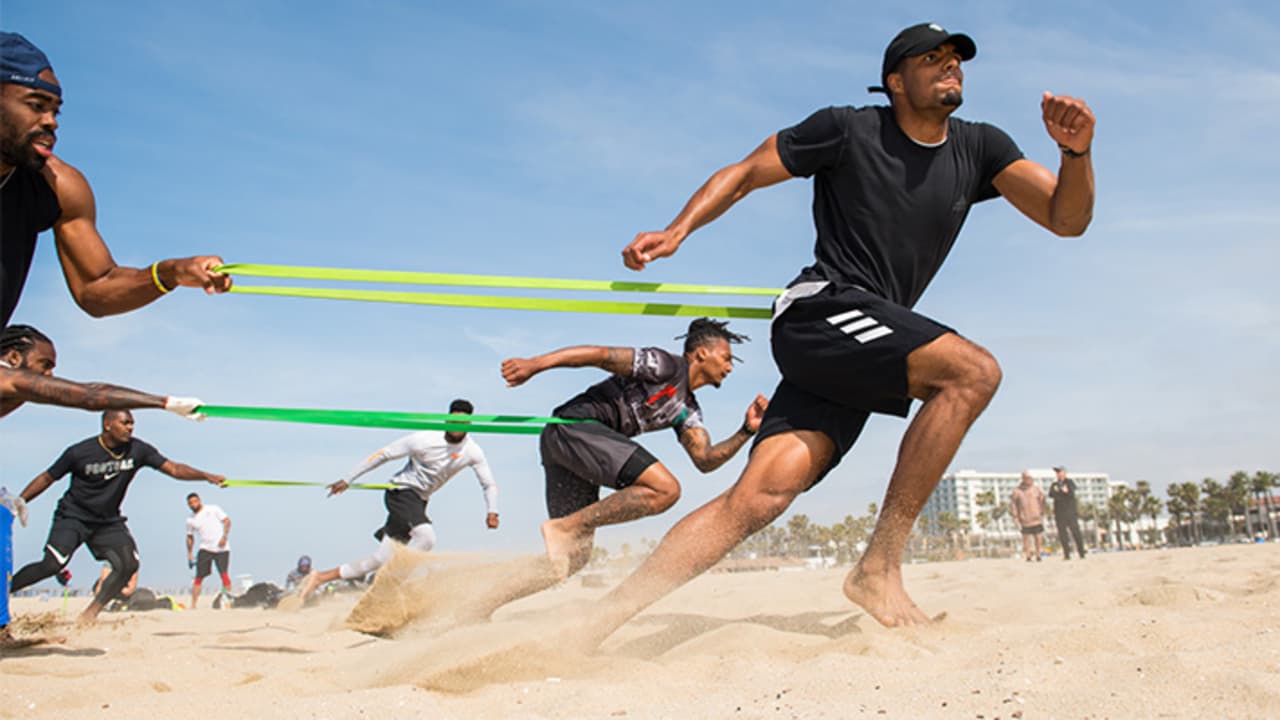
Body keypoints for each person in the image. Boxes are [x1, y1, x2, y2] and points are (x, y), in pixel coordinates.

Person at [566, 21, 1094, 646]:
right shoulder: (848, 128)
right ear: (896, 81)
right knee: (973, 372)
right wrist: (678, 231)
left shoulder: (981, 148)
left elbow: (1066, 218)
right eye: (933, 58)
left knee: (760, 497)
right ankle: (880, 568)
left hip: (865, 348)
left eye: (956, 58)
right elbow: (743, 173)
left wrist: (1075, 153)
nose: (951, 66)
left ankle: (593, 625)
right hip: (821, 311)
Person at [457, 318, 768, 620]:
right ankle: (564, 526)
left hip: (572, 448)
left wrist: (745, 431)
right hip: (574, 427)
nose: (730, 367)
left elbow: (705, 460)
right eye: (726, 358)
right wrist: (536, 364)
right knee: (666, 490)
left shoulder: (688, 409)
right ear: (701, 353)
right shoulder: (665, 365)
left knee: (572, 558)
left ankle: (481, 602)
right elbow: (600, 355)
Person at [1, 31, 231, 332]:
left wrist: (170, 273)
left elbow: (95, 289)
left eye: (55, 110)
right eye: (36, 105)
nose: (51, 121)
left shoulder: (59, 186)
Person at [8, 409, 225, 622]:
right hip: (73, 517)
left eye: (132, 423)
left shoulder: (138, 450)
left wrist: (205, 476)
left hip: (107, 521)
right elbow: (48, 478)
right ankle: (4, 590)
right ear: (108, 424)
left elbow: (174, 469)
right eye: (125, 422)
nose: (130, 428)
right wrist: (19, 502)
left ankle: (91, 612)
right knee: (52, 565)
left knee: (129, 564)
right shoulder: (79, 452)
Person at [294, 400, 500, 600]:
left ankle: (320, 577)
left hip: (419, 501)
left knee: (380, 558)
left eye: (463, 423)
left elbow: (488, 484)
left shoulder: (473, 451)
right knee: (426, 537)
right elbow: (383, 454)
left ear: (469, 424)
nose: (457, 426)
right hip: (401, 492)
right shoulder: (424, 440)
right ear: (446, 420)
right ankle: (388, 587)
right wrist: (348, 479)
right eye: (453, 421)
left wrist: (492, 511)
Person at [1, 324, 206, 420]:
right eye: (44, 365)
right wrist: (165, 403)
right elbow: (89, 396)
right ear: (14, 358)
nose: (49, 376)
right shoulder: (7, 378)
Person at [185, 493, 232, 608]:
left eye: (195, 501)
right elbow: (190, 537)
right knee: (199, 577)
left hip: (221, 548)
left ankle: (227, 601)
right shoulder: (190, 520)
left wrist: (224, 537)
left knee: (224, 574)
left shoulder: (213, 509)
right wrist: (190, 554)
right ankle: (193, 604)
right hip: (205, 548)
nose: (193, 504)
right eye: (191, 503)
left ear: (200, 500)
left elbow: (227, 521)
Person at [1049, 465, 1086, 559]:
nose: (1058, 474)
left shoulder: (1069, 482)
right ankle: (1067, 554)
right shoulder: (1054, 484)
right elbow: (1051, 494)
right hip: (1059, 513)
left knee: (1075, 532)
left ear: (1064, 473)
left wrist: (1064, 492)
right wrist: (1061, 492)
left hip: (1070, 512)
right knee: (1062, 534)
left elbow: (1070, 492)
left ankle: (1081, 552)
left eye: (1059, 472)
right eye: (1057, 472)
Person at [1010, 471, 1047, 561]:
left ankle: (1038, 554)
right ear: (1023, 479)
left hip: (1036, 517)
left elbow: (1042, 500)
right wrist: (1015, 516)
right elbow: (1013, 504)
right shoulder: (1017, 491)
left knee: (1038, 537)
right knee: (1026, 538)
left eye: (1030, 478)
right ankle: (1028, 555)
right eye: (1027, 478)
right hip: (1024, 518)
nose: (1029, 480)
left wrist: (1042, 510)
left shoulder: (1036, 489)